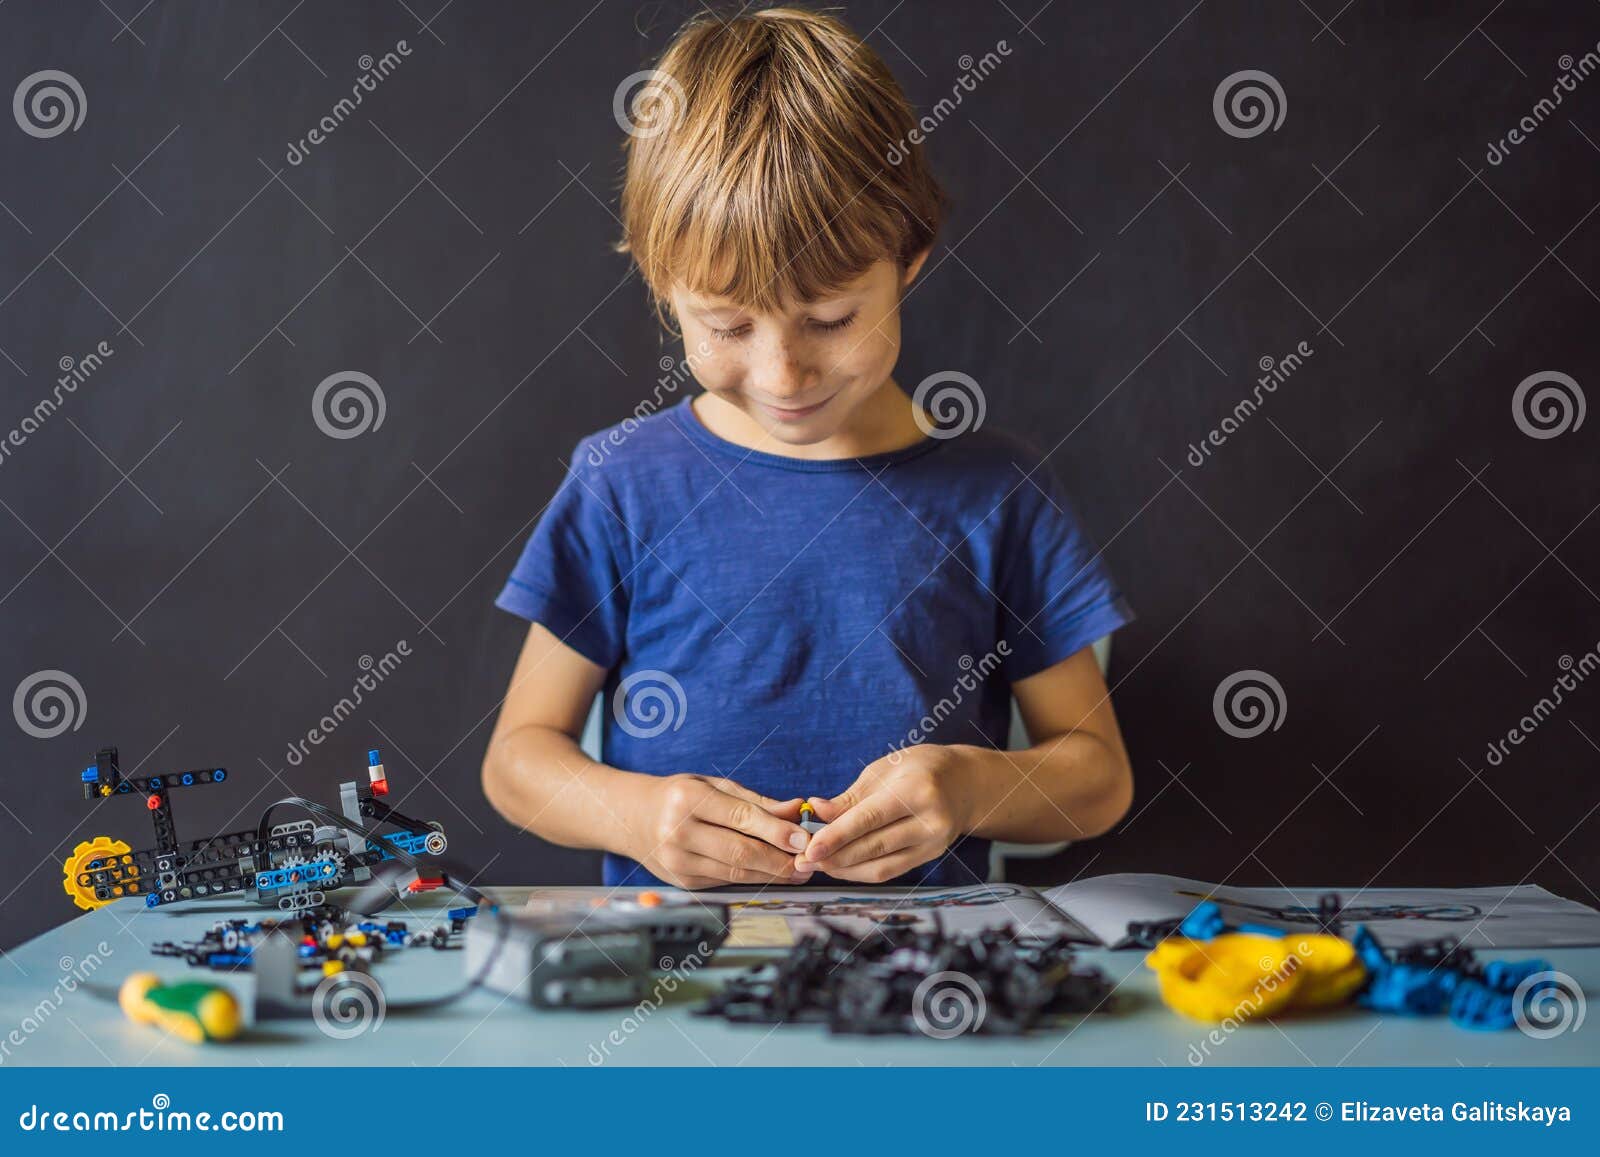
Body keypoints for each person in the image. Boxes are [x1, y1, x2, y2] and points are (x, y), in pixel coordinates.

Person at [482, 6, 1134, 889]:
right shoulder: (621, 483)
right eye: (728, 326)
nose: (783, 374)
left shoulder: (1000, 493)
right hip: (675, 967)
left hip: (929, 966)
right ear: (661, 283)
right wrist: (636, 815)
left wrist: (969, 787)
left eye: (830, 319)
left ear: (910, 258)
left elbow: (1097, 777)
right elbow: (518, 759)